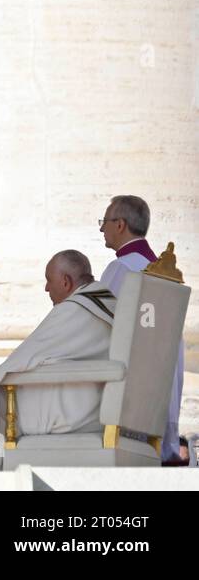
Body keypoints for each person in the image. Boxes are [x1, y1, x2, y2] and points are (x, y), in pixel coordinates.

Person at [0, 250, 116, 471]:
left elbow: (15, 364)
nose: (46, 288)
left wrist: (1, 376)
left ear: (66, 281)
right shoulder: (111, 303)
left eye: (49, 281)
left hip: (75, 412)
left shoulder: (74, 309)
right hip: (104, 407)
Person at [96, 195, 183, 463]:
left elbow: (99, 329)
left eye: (105, 222)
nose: (101, 228)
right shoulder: (164, 271)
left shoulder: (121, 269)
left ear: (120, 225)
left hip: (129, 399)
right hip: (163, 391)